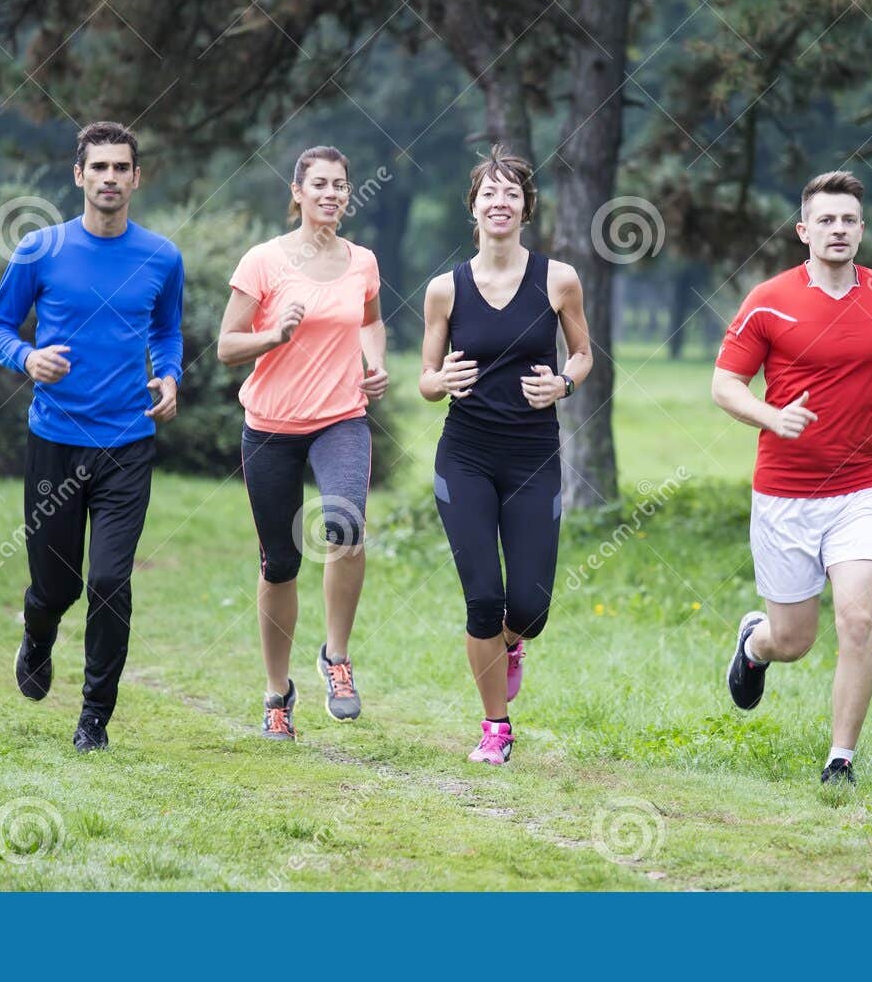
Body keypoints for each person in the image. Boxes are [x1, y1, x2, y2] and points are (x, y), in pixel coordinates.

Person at [711, 169, 872, 786]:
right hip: (783, 493)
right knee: (794, 640)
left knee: (858, 622)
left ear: (862, 231)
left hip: (861, 487)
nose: (838, 229)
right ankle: (755, 643)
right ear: (803, 231)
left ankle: (841, 760)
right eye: (826, 220)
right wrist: (770, 416)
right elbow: (724, 384)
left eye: (849, 220)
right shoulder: (768, 299)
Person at [0, 120, 184, 753]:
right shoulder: (40, 250)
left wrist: (171, 377)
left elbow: (167, 332)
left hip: (127, 442)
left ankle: (95, 715)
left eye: (122, 168)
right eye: (99, 168)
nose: (110, 179)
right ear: (79, 176)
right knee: (57, 586)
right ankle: (38, 632)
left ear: (136, 178)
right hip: (55, 443)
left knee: (110, 581)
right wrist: (26, 358)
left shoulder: (162, 257)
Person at [420, 145, 593, 766]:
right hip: (464, 455)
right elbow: (424, 377)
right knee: (483, 600)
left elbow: (583, 355)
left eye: (511, 193)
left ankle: (512, 644)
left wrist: (564, 385)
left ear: (525, 209)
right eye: (489, 193)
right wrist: (439, 382)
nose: (500, 202)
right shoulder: (445, 289)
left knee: (530, 606)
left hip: (532, 457)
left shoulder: (558, 279)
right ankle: (496, 727)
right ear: (474, 207)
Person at [217, 146, 389, 741]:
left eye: (340, 185)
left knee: (345, 528)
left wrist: (375, 362)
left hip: (340, 418)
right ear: (297, 192)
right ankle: (276, 693)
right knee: (280, 562)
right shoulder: (264, 262)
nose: (331, 194)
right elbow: (226, 346)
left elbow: (369, 318)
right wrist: (273, 334)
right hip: (270, 426)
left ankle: (336, 658)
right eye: (319, 184)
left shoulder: (362, 261)